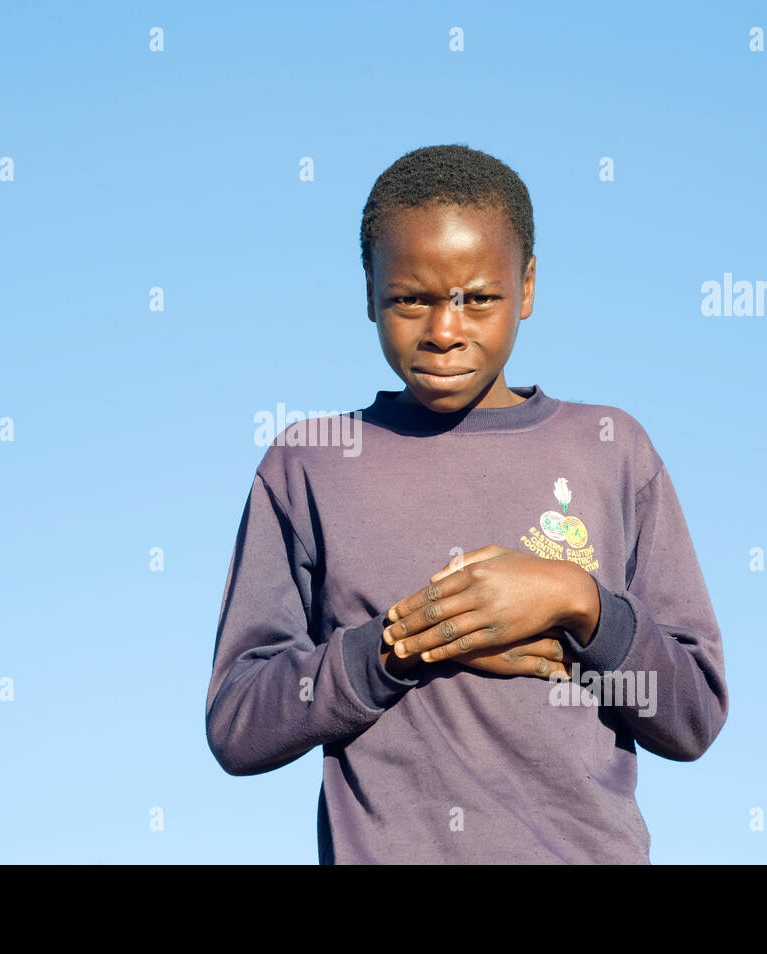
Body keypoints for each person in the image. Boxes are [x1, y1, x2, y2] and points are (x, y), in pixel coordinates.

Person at [205, 144, 728, 864]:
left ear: (529, 286)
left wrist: (580, 602)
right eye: (409, 299)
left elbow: (693, 715)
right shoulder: (309, 462)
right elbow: (238, 723)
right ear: (368, 292)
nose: (445, 331)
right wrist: (400, 644)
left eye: (479, 298)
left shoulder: (612, 450)